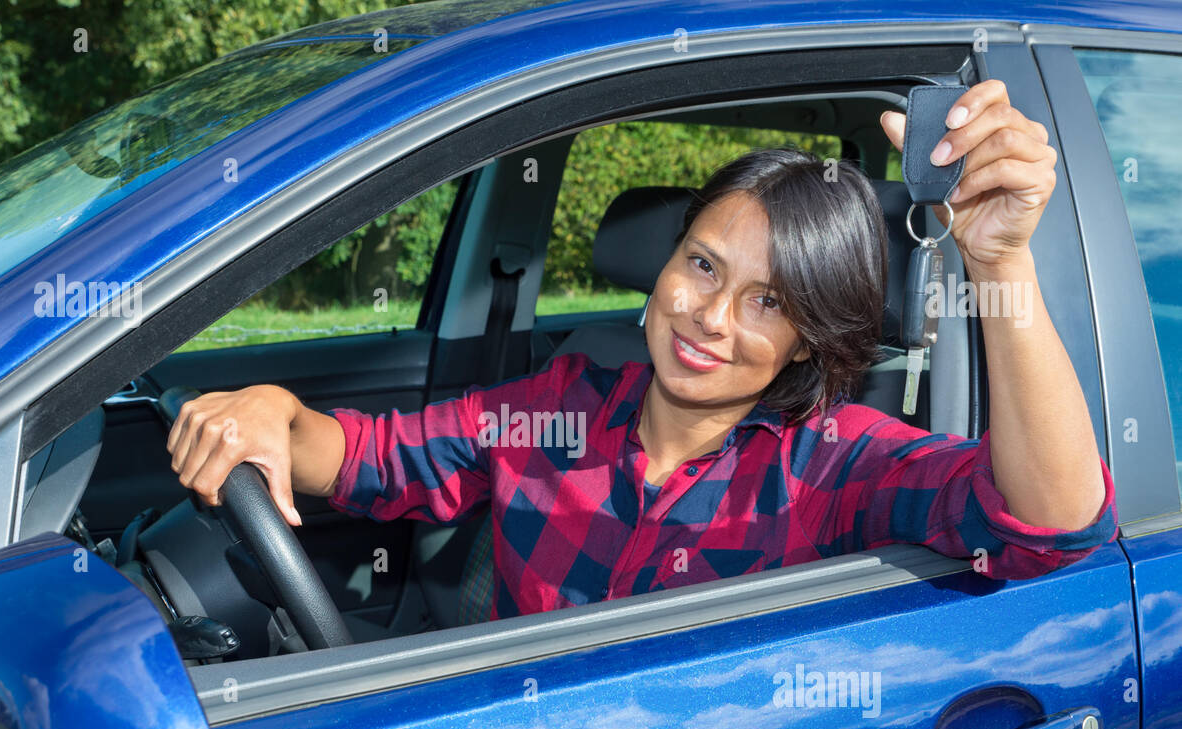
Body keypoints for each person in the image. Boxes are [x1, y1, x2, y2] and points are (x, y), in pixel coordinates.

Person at [167, 80, 1118, 622]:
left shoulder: (834, 463)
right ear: (664, 263)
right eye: (702, 265)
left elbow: (1052, 525)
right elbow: (379, 456)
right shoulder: (563, 403)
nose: (709, 315)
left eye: (768, 302)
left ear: (801, 348)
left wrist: (1000, 260)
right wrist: (275, 414)